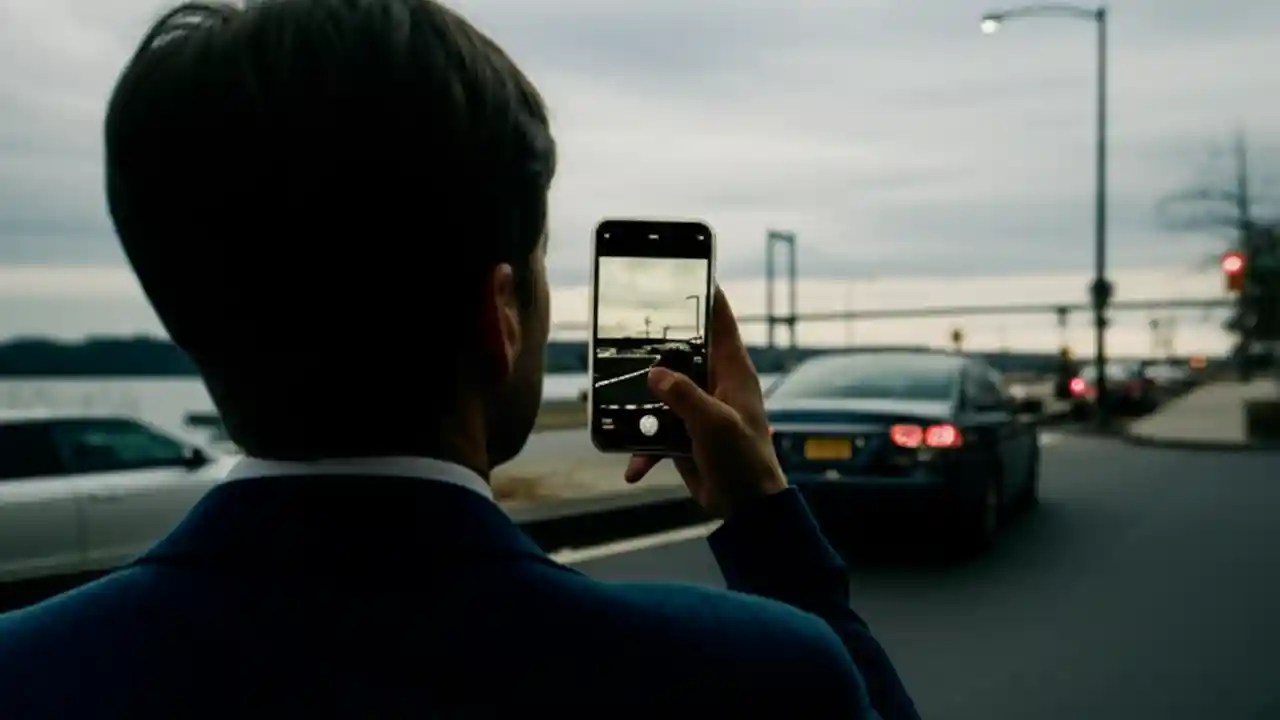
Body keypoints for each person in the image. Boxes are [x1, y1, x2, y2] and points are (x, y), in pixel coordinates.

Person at [0, 1, 919, 717]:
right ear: (503, 313)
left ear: (182, 309)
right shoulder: (755, 676)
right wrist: (766, 524)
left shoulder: (27, 675)